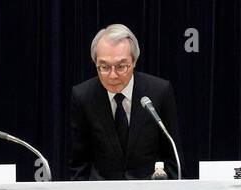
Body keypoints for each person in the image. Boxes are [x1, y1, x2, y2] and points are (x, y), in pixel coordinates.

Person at [68, 24, 179, 180]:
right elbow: (80, 164)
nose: (113, 75)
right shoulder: (83, 96)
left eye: (121, 66)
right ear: (95, 63)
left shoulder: (159, 92)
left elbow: (172, 157)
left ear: (134, 62)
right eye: (104, 67)